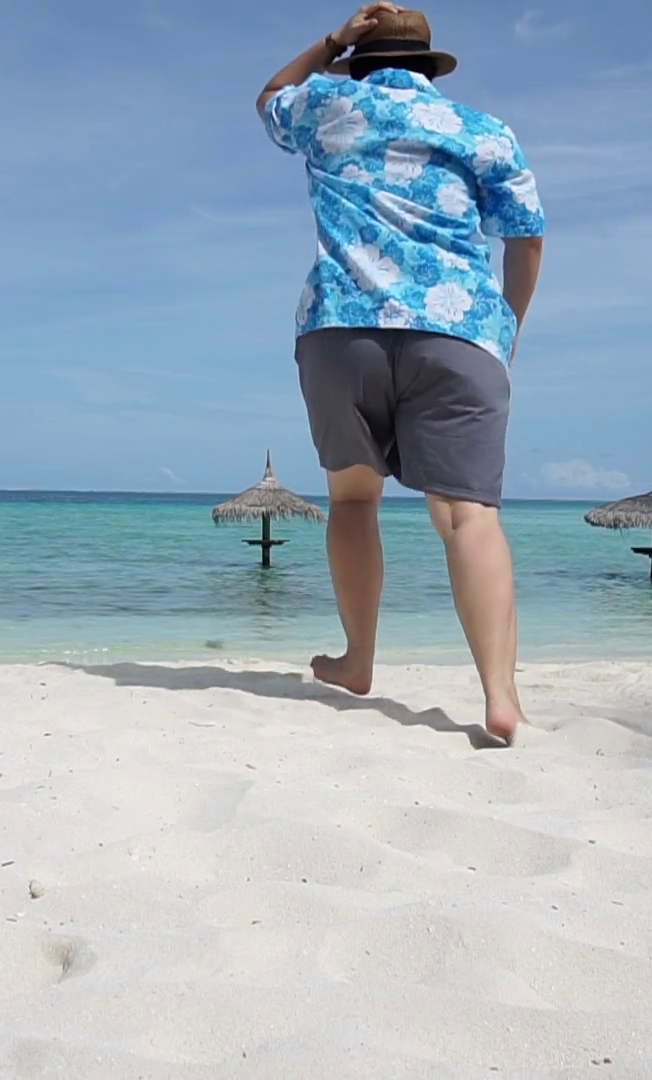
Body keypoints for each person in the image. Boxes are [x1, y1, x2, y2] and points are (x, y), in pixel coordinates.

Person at [256, 4, 546, 743]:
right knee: (468, 516)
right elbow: (527, 237)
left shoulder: (325, 103)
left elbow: (267, 98)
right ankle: (500, 695)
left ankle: (358, 661)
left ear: (359, 60)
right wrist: (503, 325)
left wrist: (329, 43)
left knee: (354, 502)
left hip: (341, 330)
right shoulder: (484, 130)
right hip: (458, 333)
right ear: (430, 67)